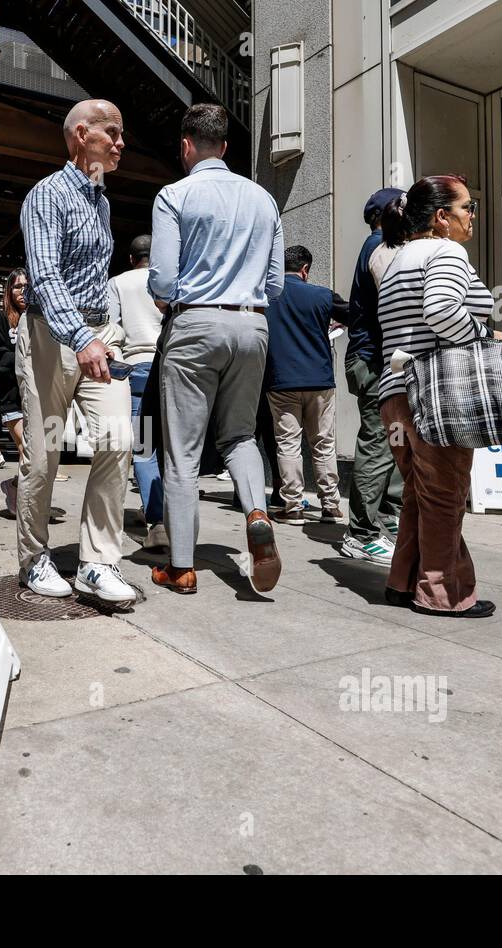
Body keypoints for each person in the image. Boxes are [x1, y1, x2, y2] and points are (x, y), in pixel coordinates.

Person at [147, 103, 285, 596]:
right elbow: (275, 282)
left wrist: (183, 297)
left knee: (182, 451)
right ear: (225, 146)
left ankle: (182, 567)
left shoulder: (175, 195)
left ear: (186, 145)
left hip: (196, 323)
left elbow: (161, 277)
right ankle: (256, 511)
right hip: (252, 325)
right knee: (241, 435)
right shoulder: (263, 200)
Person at [17, 98, 136, 604]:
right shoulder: (47, 195)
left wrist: (108, 331)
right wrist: (80, 336)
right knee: (43, 456)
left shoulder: (101, 202)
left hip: (96, 336)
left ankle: (97, 562)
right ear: (81, 133)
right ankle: (33, 559)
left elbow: (94, 278)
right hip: (50, 334)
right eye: (113, 132)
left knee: (119, 440)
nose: (121, 143)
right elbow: (44, 276)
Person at [377, 174, 502, 618]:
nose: (472, 216)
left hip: (395, 395)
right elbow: (441, 310)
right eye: (467, 208)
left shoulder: (394, 260)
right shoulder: (446, 250)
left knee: (419, 493)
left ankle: (401, 582)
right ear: (441, 217)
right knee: (445, 497)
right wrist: (487, 335)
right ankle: (442, 594)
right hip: (435, 393)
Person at [340, 187, 406, 565]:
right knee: (379, 443)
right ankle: (360, 534)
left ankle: (388, 515)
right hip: (374, 362)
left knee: (394, 439)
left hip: (383, 362)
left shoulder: (384, 244)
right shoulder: (380, 246)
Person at [262, 244, 347, 528]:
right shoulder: (322, 295)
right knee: (323, 443)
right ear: (305, 269)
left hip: (281, 381)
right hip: (320, 379)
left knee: (288, 443)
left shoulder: (265, 297)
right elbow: (355, 316)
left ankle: (293, 506)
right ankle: (331, 506)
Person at [108, 233, 168, 550]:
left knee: (144, 447)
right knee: (174, 444)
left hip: (136, 371)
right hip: (171, 368)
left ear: (131, 259)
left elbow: (111, 331)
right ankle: (179, 517)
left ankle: (157, 523)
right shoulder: (170, 281)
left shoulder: (118, 283)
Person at [0, 267, 29, 515]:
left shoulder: (40, 319)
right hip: (11, 397)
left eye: (26, 286)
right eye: (17, 286)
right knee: (27, 450)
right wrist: (27, 359)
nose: (22, 291)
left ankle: (14, 486)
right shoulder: (0, 320)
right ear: (9, 291)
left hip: (40, 395)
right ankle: (29, 508)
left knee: (45, 455)